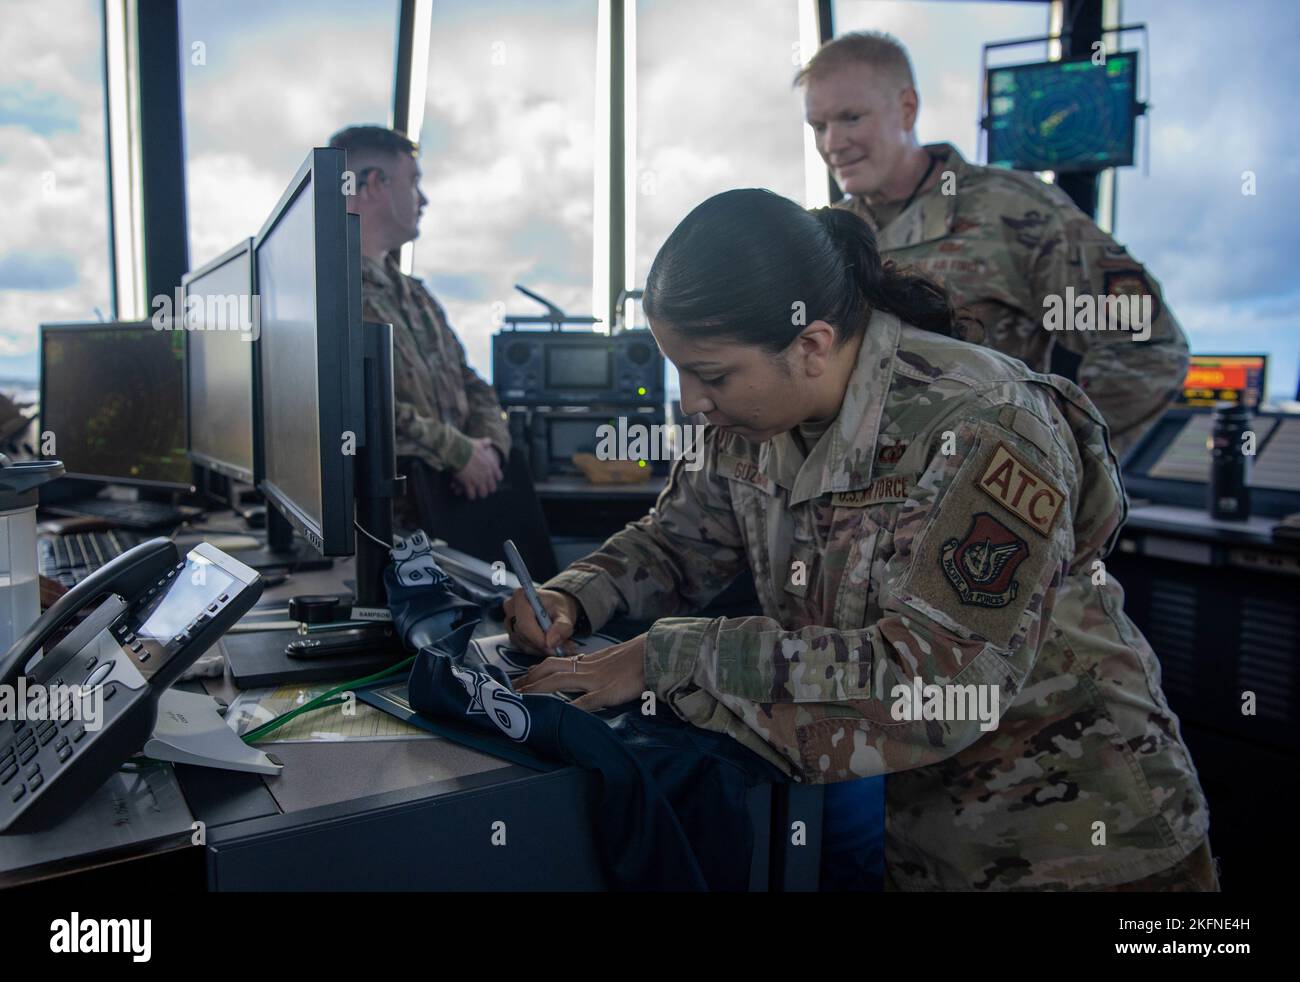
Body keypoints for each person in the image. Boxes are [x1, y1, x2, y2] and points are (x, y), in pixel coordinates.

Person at [502, 188, 1216, 892]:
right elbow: (678, 542)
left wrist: (669, 656)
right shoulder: (746, 425)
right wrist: (573, 596)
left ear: (811, 344)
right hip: (918, 835)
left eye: (711, 374)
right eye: (680, 371)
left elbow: (937, 683)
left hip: (1083, 843)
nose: (691, 400)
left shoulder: (983, 421)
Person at [798, 31, 1188, 458]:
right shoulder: (826, 235)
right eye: (819, 126)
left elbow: (1148, 346)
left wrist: (1054, 457)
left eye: (851, 118)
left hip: (983, 505)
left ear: (907, 108)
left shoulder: (1013, 210)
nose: (832, 143)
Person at [327, 125, 509, 511]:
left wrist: (489, 449)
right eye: (413, 182)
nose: (423, 199)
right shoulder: (326, 294)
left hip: (460, 498)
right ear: (375, 184)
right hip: (388, 519)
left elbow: (474, 384)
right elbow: (358, 409)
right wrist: (457, 452)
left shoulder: (417, 296)